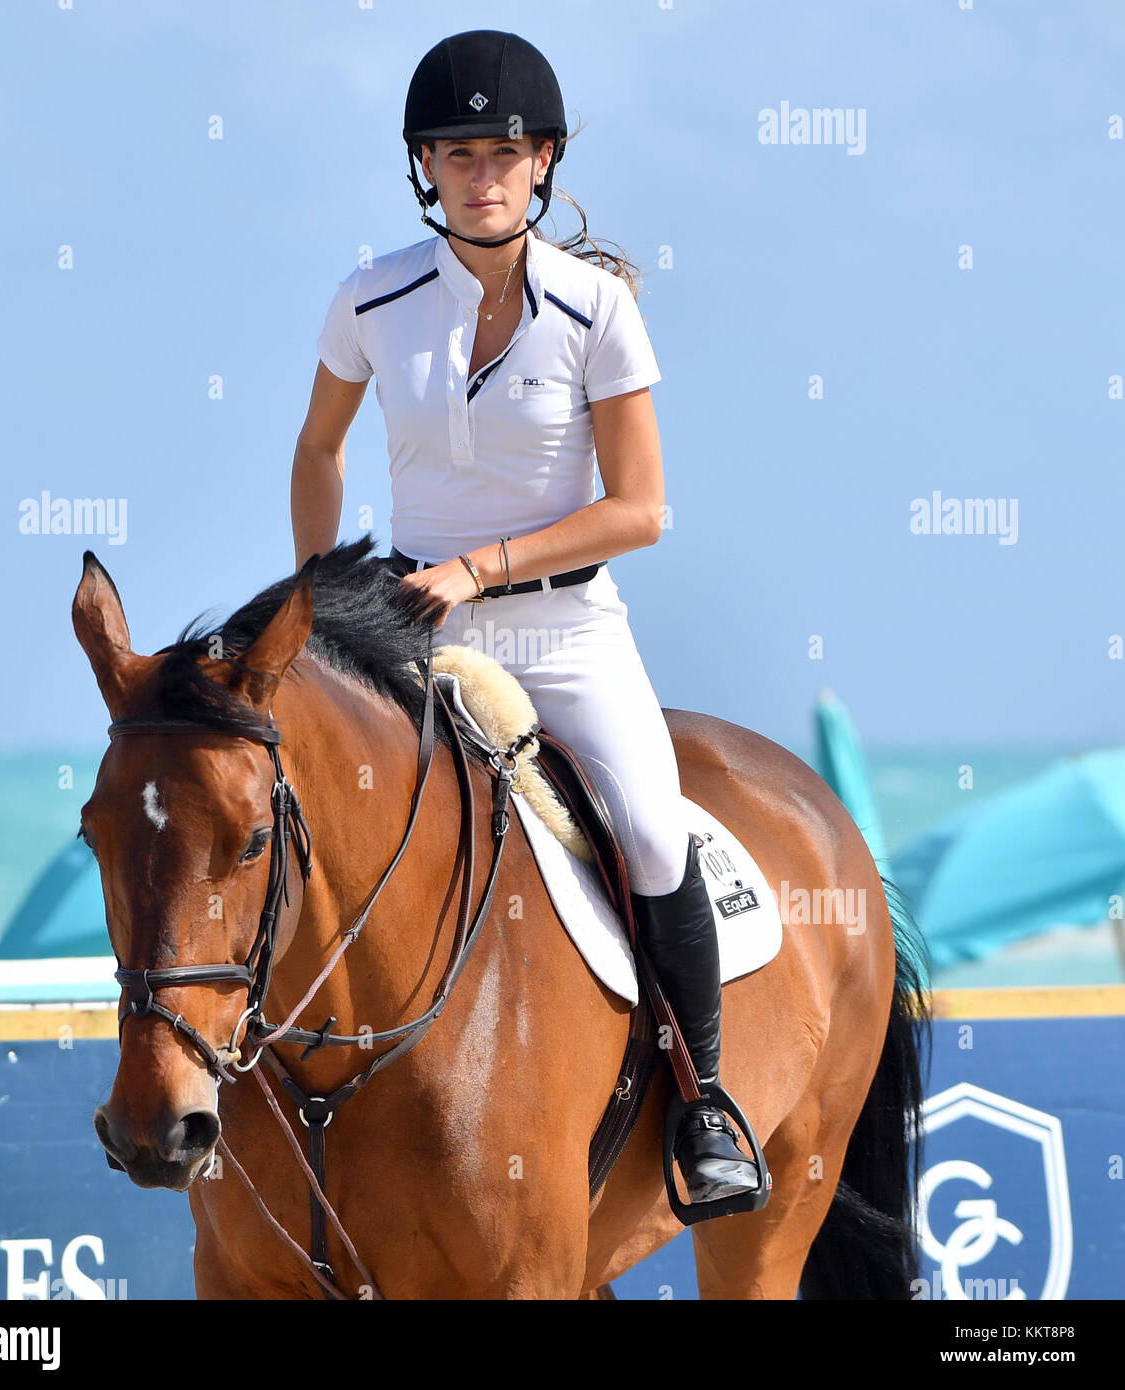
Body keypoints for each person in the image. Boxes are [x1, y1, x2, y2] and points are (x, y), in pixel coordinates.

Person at [292, 29, 759, 1203]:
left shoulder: (596, 308)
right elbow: (316, 448)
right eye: (455, 153)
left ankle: (702, 1104)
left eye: (502, 151)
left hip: (565, 633)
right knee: (318, 815)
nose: (480, 173)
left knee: (651, 831)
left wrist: (483, 565)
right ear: (424, 167)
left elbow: (642, 509)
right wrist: (318, 599)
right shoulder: (371, 298)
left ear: (542, 160)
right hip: (411, 630)